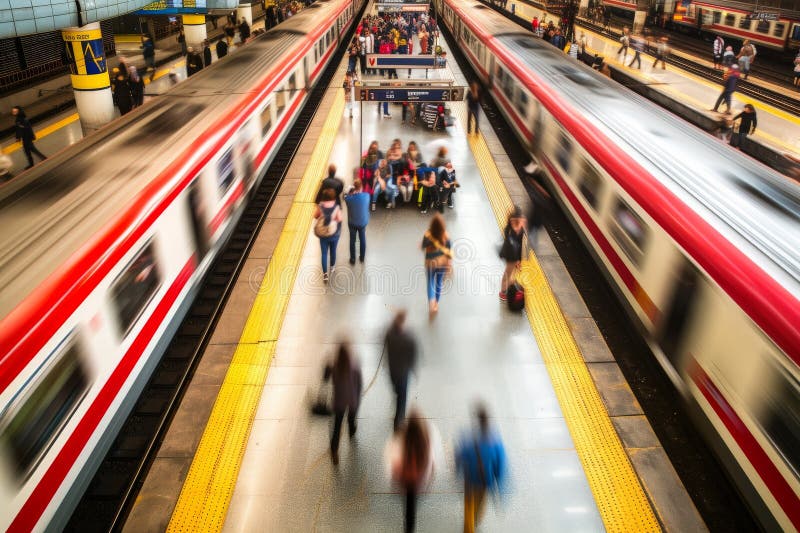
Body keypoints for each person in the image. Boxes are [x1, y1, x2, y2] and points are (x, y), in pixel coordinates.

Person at [455, 404, 508, 533]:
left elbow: (460, 456)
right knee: (480, 503)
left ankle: (469, 528)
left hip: (470, 479)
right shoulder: (495, 440)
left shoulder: (468, 437)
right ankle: (477, 519)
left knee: (469, 506)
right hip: (486, 480)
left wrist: (457, 471)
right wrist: (499, 484)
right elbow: (500, 463)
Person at [388, 412, 435, 533]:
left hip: (406, 478)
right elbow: (430, 460)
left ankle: (408, 527)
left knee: (408, 506)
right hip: (417, 479)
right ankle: (410, 527)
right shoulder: (424, 439)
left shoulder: (403, 438)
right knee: (412, 504)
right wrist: (429, 476)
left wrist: (395, 478)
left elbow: (395, 460)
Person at [325, 342, 362, 465]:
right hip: (351, 399)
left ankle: (334, 450)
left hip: (338, 401)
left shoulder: (334, 366)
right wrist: (357, 398)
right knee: (351, 419)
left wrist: (327, 363)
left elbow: (325, 378)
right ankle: (352, 432)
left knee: (337, 426)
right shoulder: (354, 367)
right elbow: (359, 384)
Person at [385, 310, 418, 431]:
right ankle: (399, 420)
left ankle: (398, 416)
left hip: (392, 370)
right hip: (403, 372)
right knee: (402, 397)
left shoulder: (389, 333)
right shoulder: (409, 338)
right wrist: (414, 369)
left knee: (397, 392)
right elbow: (413, 355)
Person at [422, 214, 452, 317]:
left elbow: (423, 246)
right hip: (442, 263)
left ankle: (431, 302)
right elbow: (449, 253)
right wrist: (449, 265)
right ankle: (436, 304)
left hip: (430, 263)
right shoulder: (446, 236)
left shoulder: (427, 235)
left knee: (430, 282)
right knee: (438, 282)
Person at [314, 188, 343, 282]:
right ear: (333, 197)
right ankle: (332, 267)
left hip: (322, 234)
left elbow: (315, 216)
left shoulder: (320, 206)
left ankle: (325, 274)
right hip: (333, 233)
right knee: (333, 251)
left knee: (324, 253)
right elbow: (339, 219)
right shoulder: (336, 207)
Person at [499, 206, 526, 301]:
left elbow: (520, 245)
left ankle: (512, 284)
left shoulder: (520, 229)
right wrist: (516, 260)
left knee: (511, 273)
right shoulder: (508, 230)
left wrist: (519, 259)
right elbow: (510, 246)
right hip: (509, 255)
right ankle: (503, 292)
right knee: (507, 273)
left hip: (515, 254)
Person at [345, 178, 370, 264]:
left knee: (352, 240)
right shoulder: (367, 196)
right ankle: (362, 257)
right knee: (362, 239)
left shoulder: (349, 199)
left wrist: (350, 192)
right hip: (363, 222)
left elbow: (346, 197)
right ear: (361, 187)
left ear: (354, 187)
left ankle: (352, 259)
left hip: (352, 223)